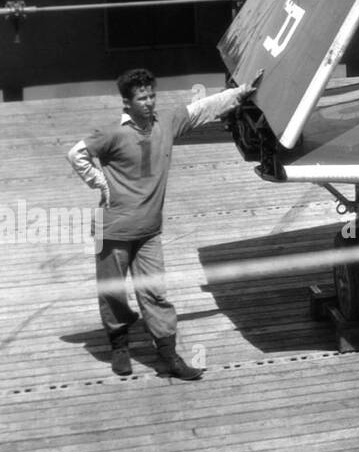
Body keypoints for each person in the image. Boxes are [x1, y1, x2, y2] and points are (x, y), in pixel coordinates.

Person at [67, 69, 255, 379]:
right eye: (142, 98)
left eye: (152, 96)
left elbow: (201, 109)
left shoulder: (165, 124)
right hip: (112, 230)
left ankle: (168, 355)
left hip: (149, 232)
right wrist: (100, 182)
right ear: (127, 103)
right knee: (113, 291)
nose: (149, 103)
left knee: (155, 293)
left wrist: (241, 92)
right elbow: (76, 154)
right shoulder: (113, 134)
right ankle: (120, 346)